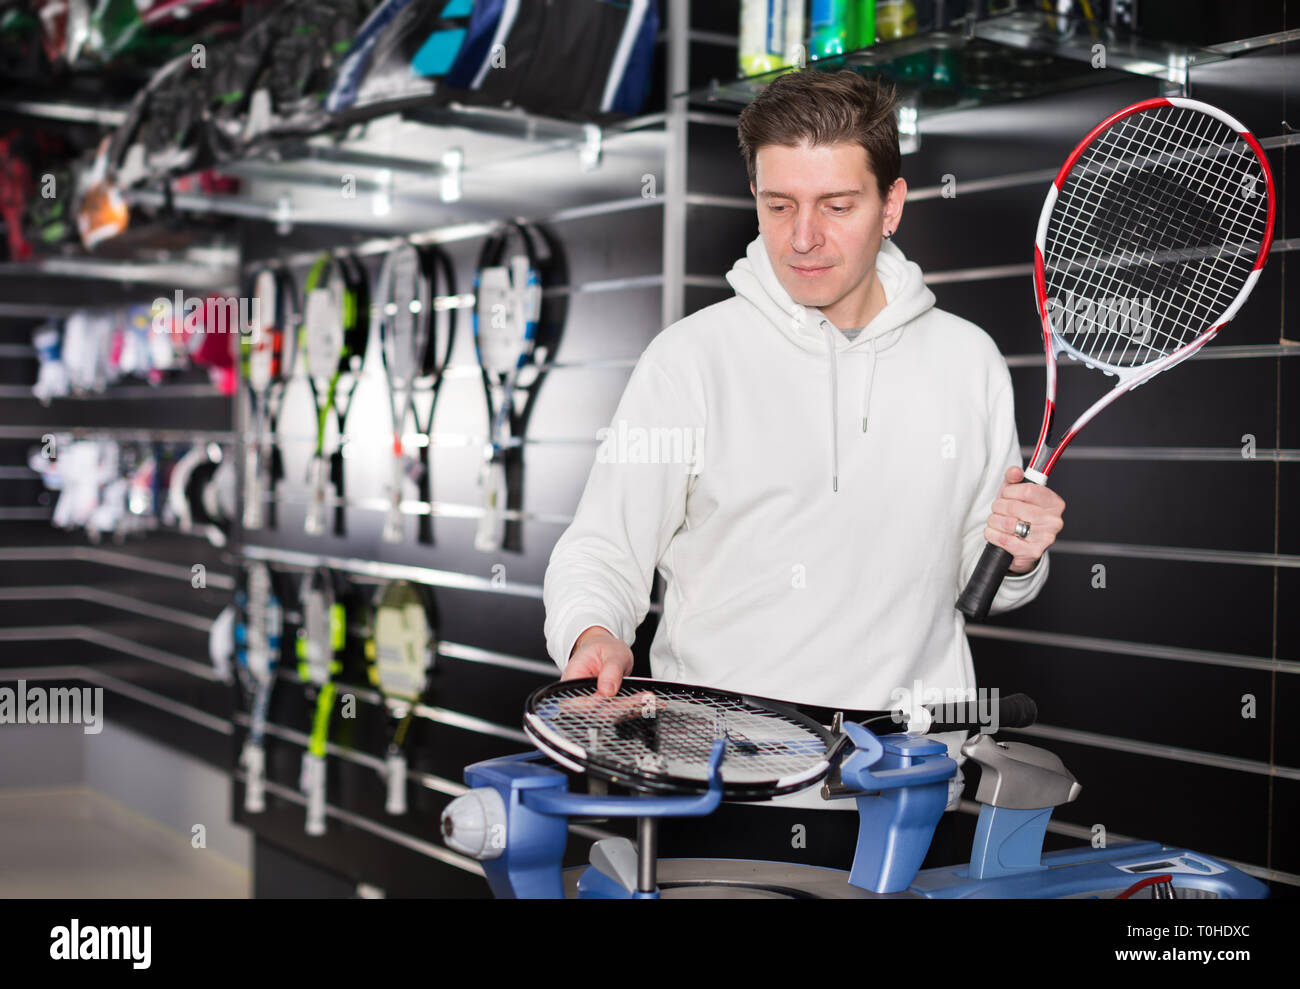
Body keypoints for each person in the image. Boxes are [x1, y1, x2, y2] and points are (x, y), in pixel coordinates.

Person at [541, 69, 1065, 869]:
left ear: (892, 204)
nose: (802, 238)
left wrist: (1020, 555)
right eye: (778, 204)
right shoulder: (690, 360)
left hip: (915, 788)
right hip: (720, 789)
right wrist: (592, 632)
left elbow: (977, 575)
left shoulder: (969, 362)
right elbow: (603, 547)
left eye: (836, 206)